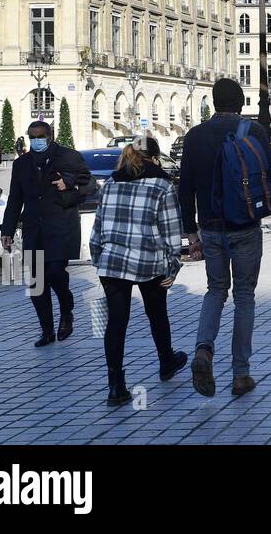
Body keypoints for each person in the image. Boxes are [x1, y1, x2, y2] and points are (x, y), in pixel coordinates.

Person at [178, 78, 271, 398]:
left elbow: (185, 188)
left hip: (209, 226)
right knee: (244, 296)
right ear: (240, 103)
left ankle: (203, 351)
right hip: (245, 225)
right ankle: (240, 374)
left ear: (213, 101)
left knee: (216, 290)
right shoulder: (254, 131)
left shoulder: (194, 136)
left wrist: (189, 231)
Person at [90, 135, 188, 406]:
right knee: (157, 314)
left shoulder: (110, 183)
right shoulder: (161, 185)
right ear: (155, 157)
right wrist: (173, 265)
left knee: (116, 322)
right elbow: (170, 231)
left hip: (112, 262)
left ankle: (115, 386)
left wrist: (99, 257)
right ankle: (166, 361)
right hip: (149, 261)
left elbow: (98, 227)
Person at [0, 121, 95, 347]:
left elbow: (89, 186)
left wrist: (68, 186)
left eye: (40, 136)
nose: (36, 140)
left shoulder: (69, 157)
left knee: (54, 272)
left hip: (60, 226)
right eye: (32, 137)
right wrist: (7, 229)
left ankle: (66, 310)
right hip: (34, 228)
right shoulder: (21, 163)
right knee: (36, 283)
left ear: (49, 136)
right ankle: (46, 330)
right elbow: (15, 198)